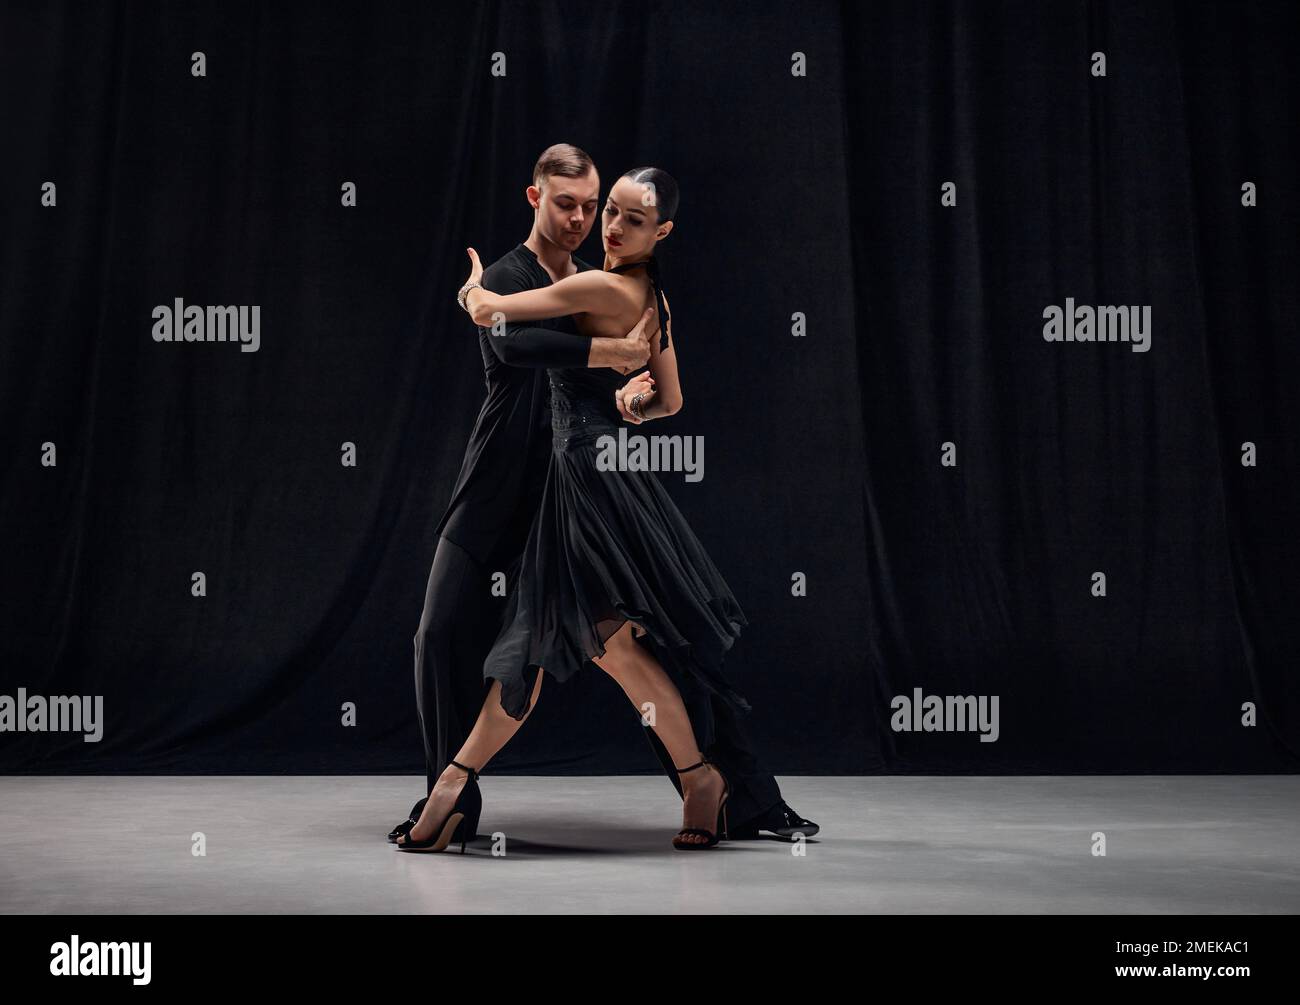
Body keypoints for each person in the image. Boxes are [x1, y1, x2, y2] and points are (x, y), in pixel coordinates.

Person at [397, 161, 818, 851]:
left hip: (584, 485)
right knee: (614, 644)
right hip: (598, 476)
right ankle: (699, 777)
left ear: (664, 229)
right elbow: (670, 400)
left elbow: (494, 317)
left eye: (630, 218)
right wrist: (633, 401)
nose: (612, 227)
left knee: (541, 638)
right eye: (611, 212)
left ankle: (450, 787)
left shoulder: (596, 283)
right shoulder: (652, 294)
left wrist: (475, 289)